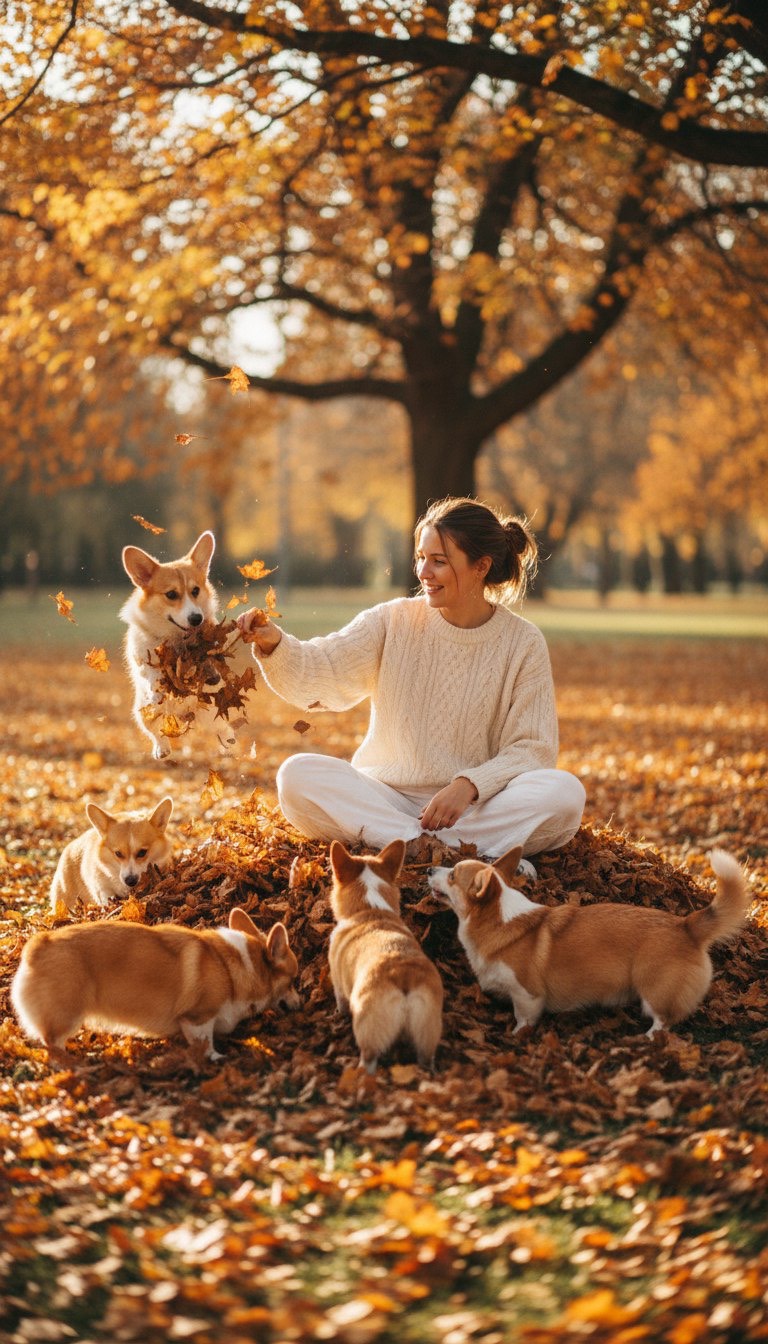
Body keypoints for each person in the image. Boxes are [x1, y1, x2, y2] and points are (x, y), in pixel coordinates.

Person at [237, 497, 585, 870]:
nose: (423, 572)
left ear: (481, 566)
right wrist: (276, 644)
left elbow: (533, 749)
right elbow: (323, 669)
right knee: (296, 775)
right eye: (420, 557)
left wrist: (469, 785)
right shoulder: (392, 621)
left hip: (476, 809)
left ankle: (421, 845)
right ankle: (443, 850)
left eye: (438, 561)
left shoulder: (522, 642)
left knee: (564, 794)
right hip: (386, 798)